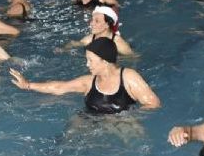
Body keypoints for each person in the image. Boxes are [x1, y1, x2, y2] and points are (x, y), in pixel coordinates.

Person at [10, 37, 160, 114]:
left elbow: (153, 103)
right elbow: (59, 87)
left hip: (121, 127)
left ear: (105, 61)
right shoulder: (89, 82)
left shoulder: (128, 78)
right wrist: (28, 85)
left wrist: (128, 118)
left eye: (91, 60)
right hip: (89, 122)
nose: (87, 64)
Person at [61, 6, 133, 56]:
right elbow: (73, 43)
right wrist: (63, 49)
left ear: (107, 25)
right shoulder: (89, 39)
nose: (91, 23)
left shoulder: (118, 44)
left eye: (97, 21)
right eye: (92, 20)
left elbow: (133, 58)